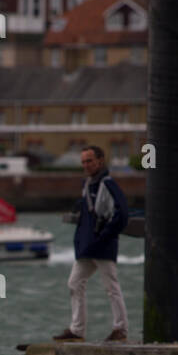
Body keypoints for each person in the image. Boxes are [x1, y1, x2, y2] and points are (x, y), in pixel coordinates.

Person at [56, 145, 129, 343]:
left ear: (100, 161)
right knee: (74, 283)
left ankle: (120, 329)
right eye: (83, 162)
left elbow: (122, 213)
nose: (86, 165)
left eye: (89, 161)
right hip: (88, 247)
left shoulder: (108, 184)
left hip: (101, 246)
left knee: (111, 287)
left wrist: (105, 235)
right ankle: (77, 330)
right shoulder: (88, 185)